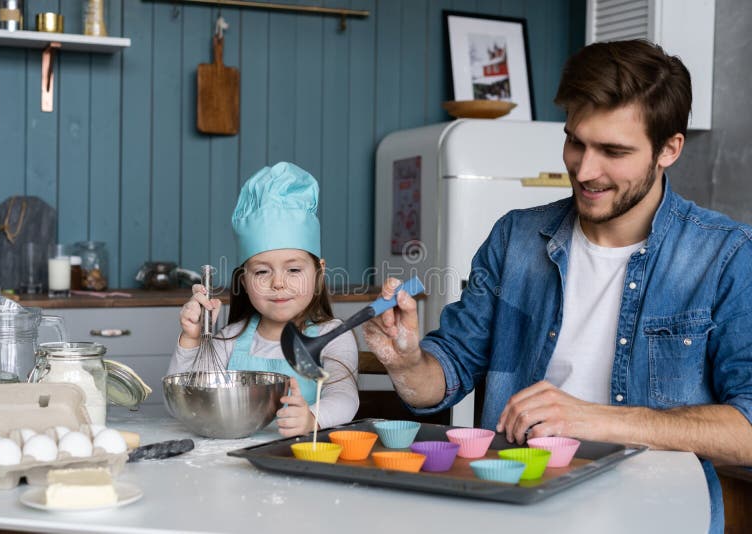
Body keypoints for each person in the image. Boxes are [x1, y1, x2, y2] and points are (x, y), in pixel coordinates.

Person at [363, 39, 752, 533]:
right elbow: (448, 370)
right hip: (512, 513)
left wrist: (597, 419)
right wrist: (407, 361)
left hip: (655, 518)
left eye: (613, 151)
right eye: (576, 141)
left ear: (668, 149)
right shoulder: (515, 238)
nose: (585, 171)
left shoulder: (728, 256)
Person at [169, 161, 359, 438]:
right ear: (244, 281)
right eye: (261, 271)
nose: (278, 283)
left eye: (294, 270)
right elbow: (190, 396)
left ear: (319, 272)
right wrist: (191, 338)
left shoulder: (333, 336)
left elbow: (345, 397)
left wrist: (312, 418)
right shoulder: (230, 339)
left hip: (300, 460)